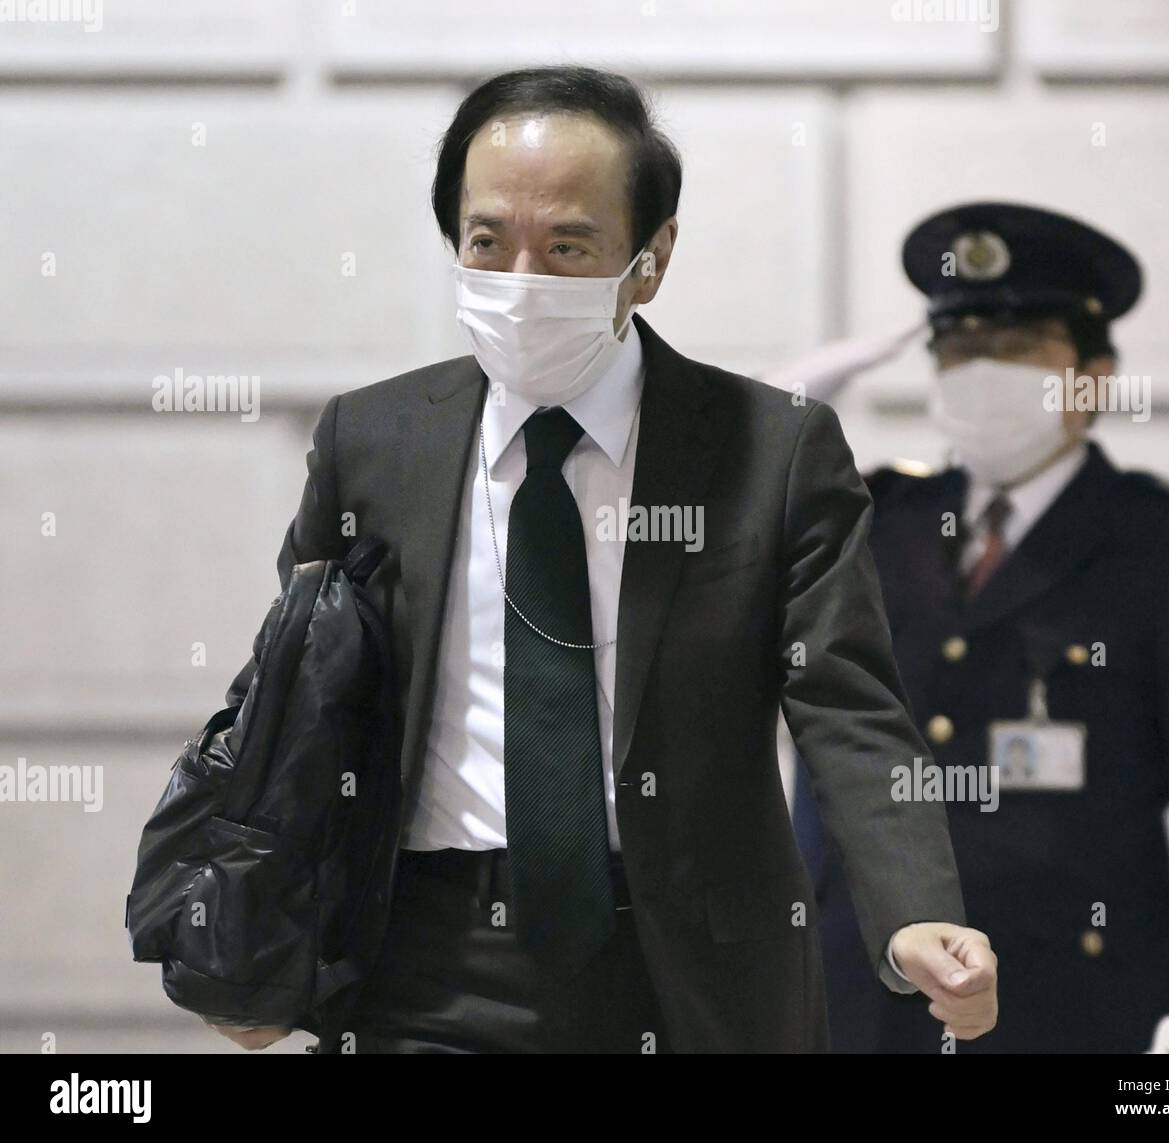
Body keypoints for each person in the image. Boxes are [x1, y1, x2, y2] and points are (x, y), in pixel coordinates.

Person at [207, 67, 997, 1054]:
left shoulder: (770, 450)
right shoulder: (374, 440)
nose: (522, 279)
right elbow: (295, 699)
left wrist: (915, 910)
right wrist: (246, 930)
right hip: (422, 959)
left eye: (568, 246)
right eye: (488, 242)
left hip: (688, 966)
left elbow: (848, 707)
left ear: (650, 258)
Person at [794, 201, 1169, 1053]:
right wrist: (769, 439)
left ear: (1092, 377)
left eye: (1016, 349)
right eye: (959, 348)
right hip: (865, 1000)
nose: (980, 371)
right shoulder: (874, 520)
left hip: (1075, 1009)